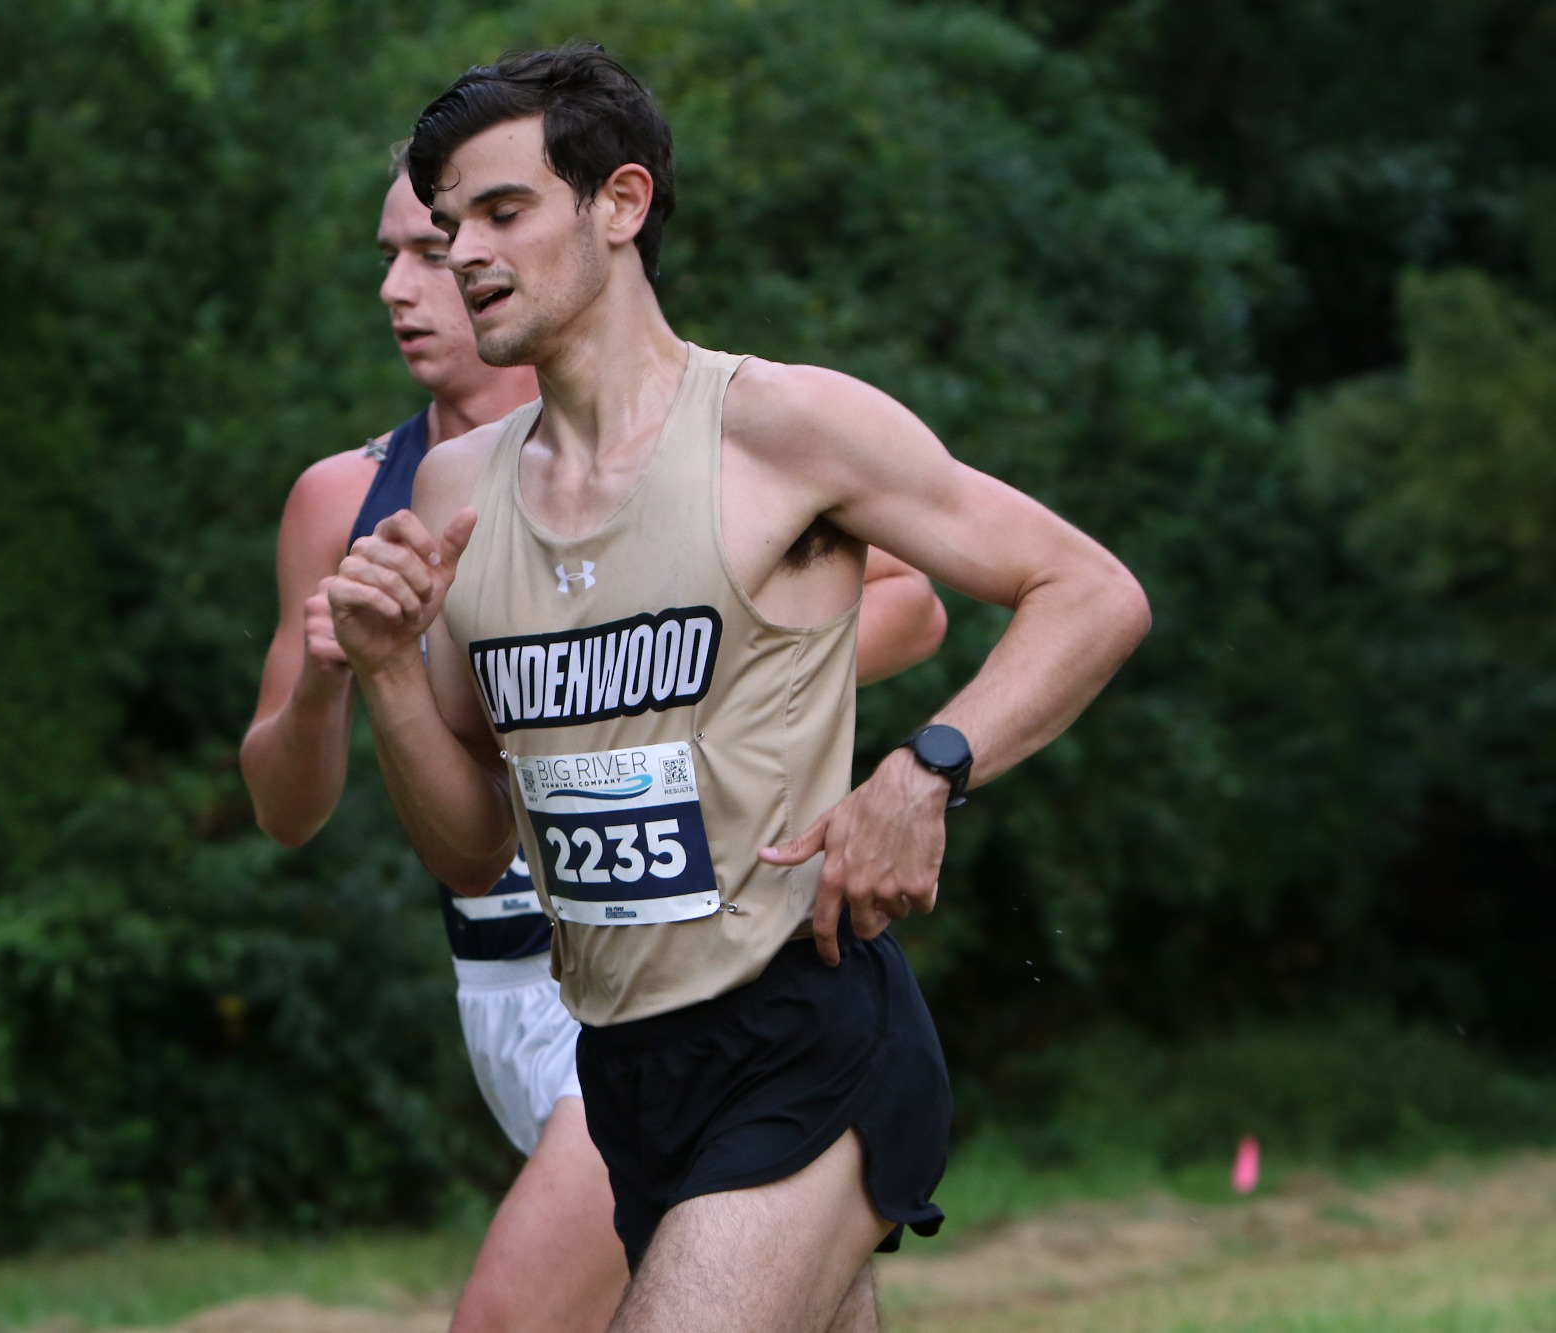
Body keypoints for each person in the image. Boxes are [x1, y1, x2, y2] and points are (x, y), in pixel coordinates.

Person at [326, 45, 1152, 1333]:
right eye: (444, 228)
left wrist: (925, 768)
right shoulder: (455, 494)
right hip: (624, 1067)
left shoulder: (781, 429)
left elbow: (1089, 590)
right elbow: (471, 839)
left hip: (802, 1029)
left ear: (620, 204)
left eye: (500, 212)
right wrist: (382, 673)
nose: (463, 255)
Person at [240, 147, 949, 1333]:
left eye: (439, 246)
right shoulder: (349, 498)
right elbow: (284, 807)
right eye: (399, 256)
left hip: (688, 977)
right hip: (510, 979)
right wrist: (333, 682)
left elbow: (914, 601)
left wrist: (632, 687)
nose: (412, 285)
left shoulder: (674, 440)